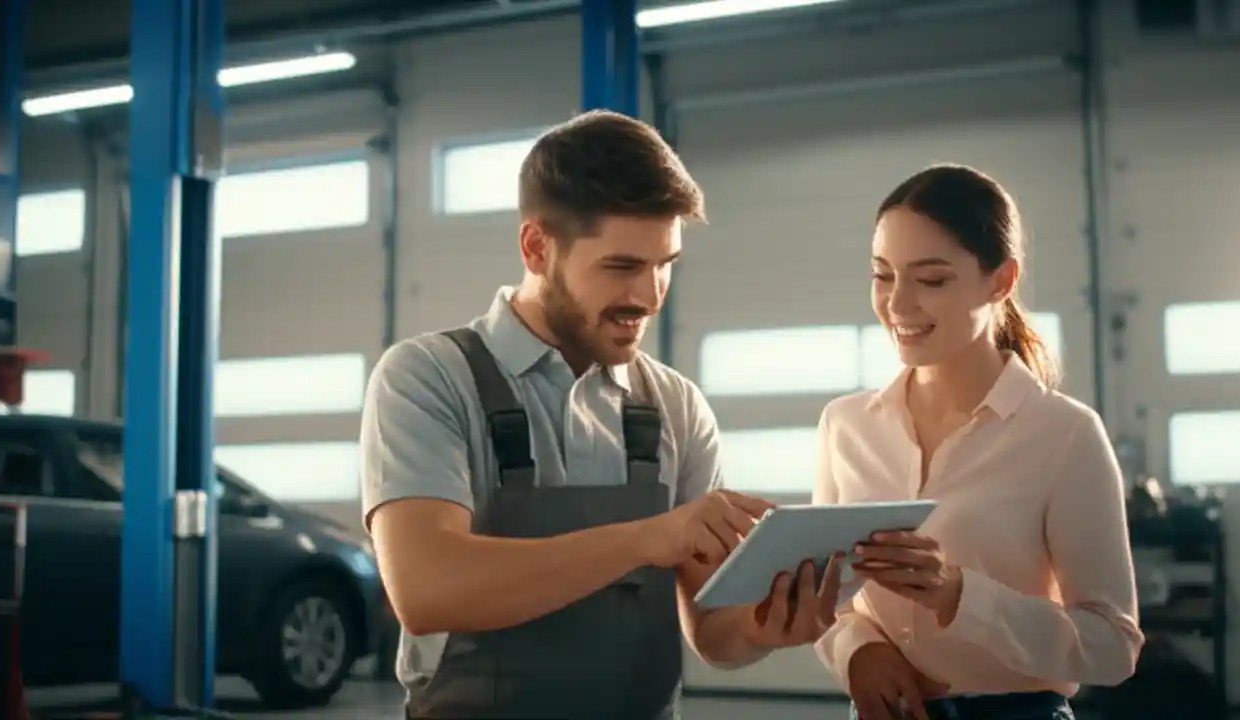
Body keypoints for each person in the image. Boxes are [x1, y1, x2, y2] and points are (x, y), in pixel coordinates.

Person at [360, 109, 844, 720]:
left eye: (663, 265)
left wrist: (769, 625)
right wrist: (647, 538)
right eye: (621, 266)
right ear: (537, 247)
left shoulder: (676, 406)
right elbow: (428, 589)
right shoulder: (427, 378)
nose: (646, 296)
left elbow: (713, 633)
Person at [812, 164, 1145, 720]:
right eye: (883, 275)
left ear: (1001, 280)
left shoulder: (1063, 434)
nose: (897, 304)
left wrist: (959, 597)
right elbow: (835, 596)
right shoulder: (844, 426)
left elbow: (1113, 647)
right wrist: (856, 652)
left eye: (931, 279)